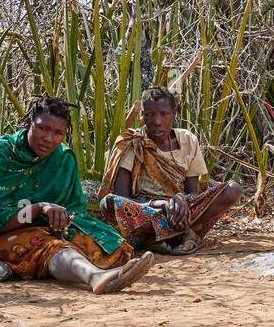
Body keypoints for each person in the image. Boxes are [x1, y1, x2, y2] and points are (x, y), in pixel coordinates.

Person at [0, 96, 154, 294]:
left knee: (114, 246)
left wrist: (62, 223)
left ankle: (20, 268)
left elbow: (75, 211)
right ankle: (95, 277)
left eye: (57, 133)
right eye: (43, 128)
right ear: (29, 123)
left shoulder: (63, 158)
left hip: (48, 231)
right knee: (48, 246)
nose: (48, 139)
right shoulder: (2, 154)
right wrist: (38, 209)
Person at [97, 86, 243, 255]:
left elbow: (192, 193)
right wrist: (162, 205)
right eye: (149, 114)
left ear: (174, 113)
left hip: (180, 210)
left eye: (164, 114)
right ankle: (179, 236)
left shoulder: (188, 140)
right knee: (108, 203)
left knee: (233, 189)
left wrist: (181, 203)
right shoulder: (133, 142)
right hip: (147, 210)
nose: (157, 121)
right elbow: (121, 197)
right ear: (142, 115)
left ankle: (175, 235)